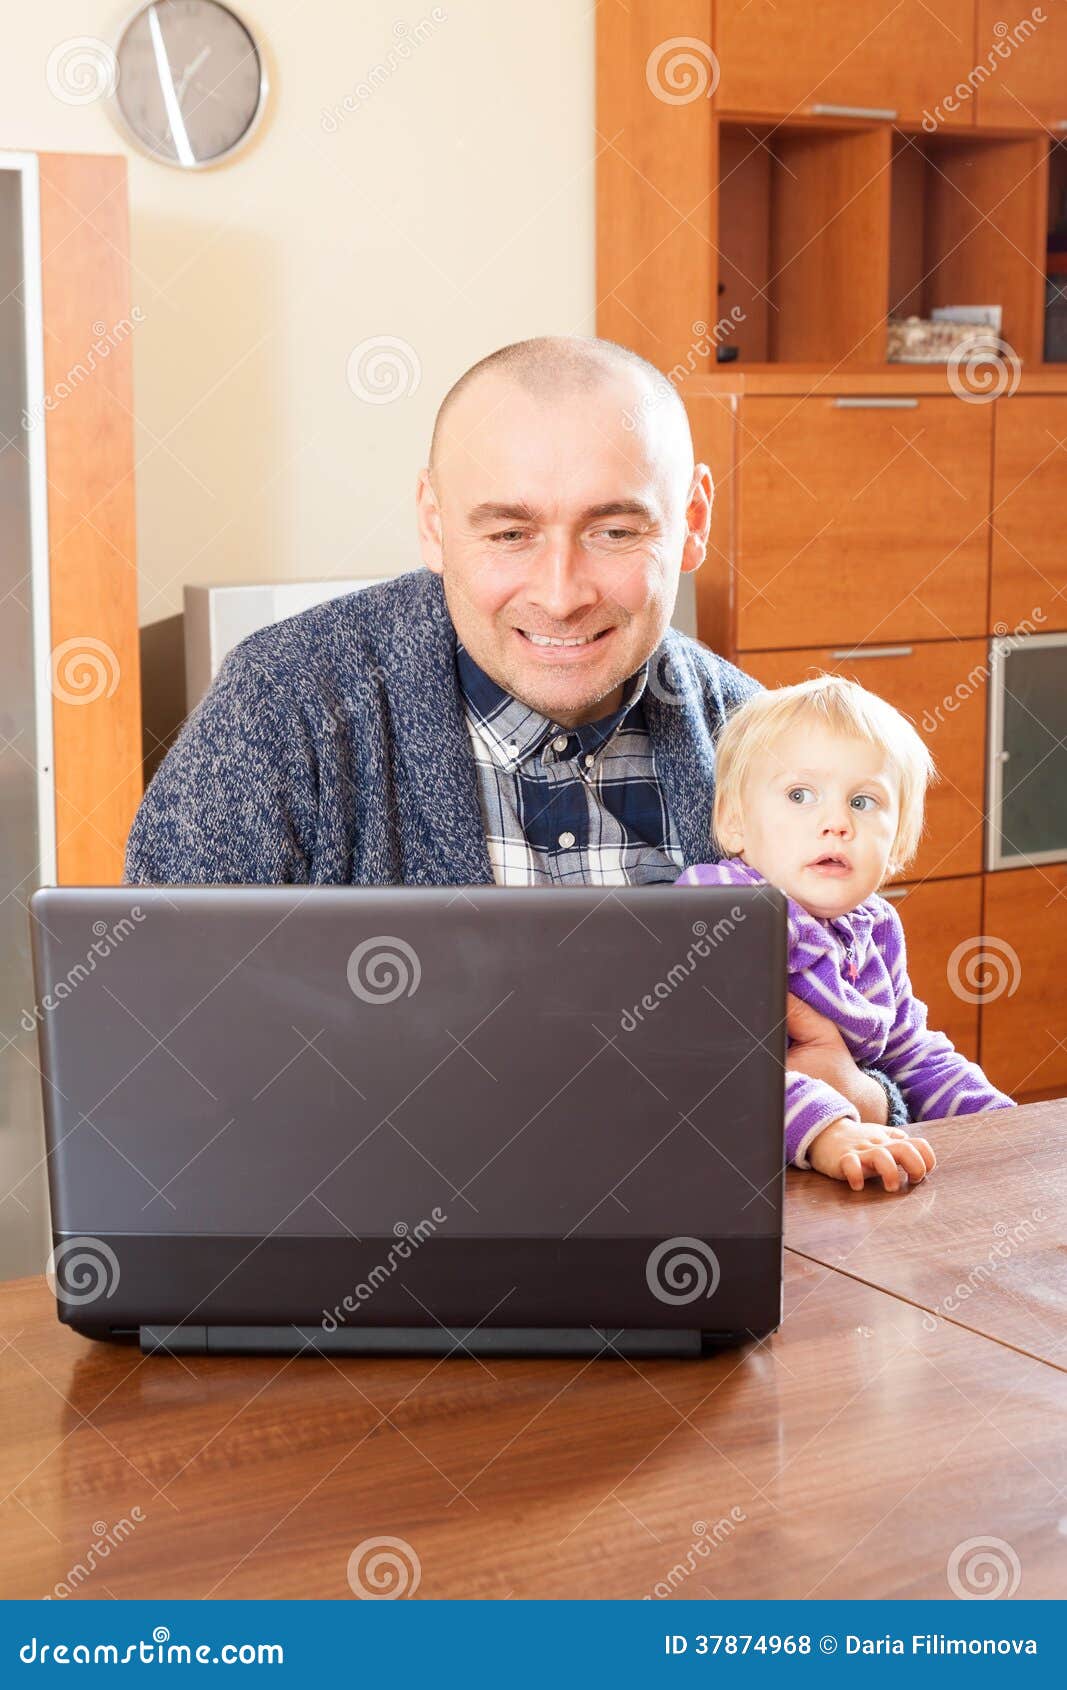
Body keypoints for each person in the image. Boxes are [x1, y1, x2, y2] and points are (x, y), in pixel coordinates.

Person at [123, 334, 907, 1130]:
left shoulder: (757, 737)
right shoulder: (282, 705)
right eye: (508, 534)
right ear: (434, 523)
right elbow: (157, 1057)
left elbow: (875, 1052)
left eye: (613, 532)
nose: (560, 597)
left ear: (692, 519)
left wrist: (863, 1100)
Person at [676, 675, 1015, 1191]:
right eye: (800, 794)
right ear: (734, 821)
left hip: (837, 1173)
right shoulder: (724, 905)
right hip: (724, 1184)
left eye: (863, 802)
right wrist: (829, 1130)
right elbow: (709, 1061)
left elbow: (910, 1052)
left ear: (899, 842)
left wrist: (999, 1123)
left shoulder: (877, 928)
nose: (836, 822)